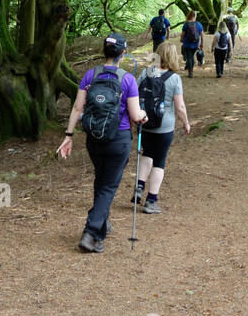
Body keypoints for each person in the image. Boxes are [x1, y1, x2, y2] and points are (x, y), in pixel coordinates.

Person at [57, 32, 147, 253]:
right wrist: (144, 115)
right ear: (123, 53)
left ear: (104, 50)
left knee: (101, 180)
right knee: (108, 185)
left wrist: (69, 136)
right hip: (119, 139)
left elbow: (77, 108)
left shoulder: (90, 75)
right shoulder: (127, 79)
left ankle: (102, 224)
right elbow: (136, 115)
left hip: (94, 138)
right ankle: (90, 232)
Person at [132, 42, 190, 214]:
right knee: (159, 161)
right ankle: (151, 200)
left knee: (147, 153)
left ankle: (139, 187)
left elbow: (135, 95)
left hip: (145, 122)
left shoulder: (146, 73)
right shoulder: (175, 78)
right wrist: (186, 122)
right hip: (164, 127)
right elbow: (180, 106)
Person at [179, 10, 203, 75]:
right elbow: (202, 34)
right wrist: (202, 43)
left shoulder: (186, 24)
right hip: (195, 44)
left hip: (187, 44)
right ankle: (191, 70)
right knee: (191, 56)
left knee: (189, 57)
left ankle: (190, 72)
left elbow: (183, 34)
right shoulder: (198, 24)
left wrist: (181, 39)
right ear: (195, 16)